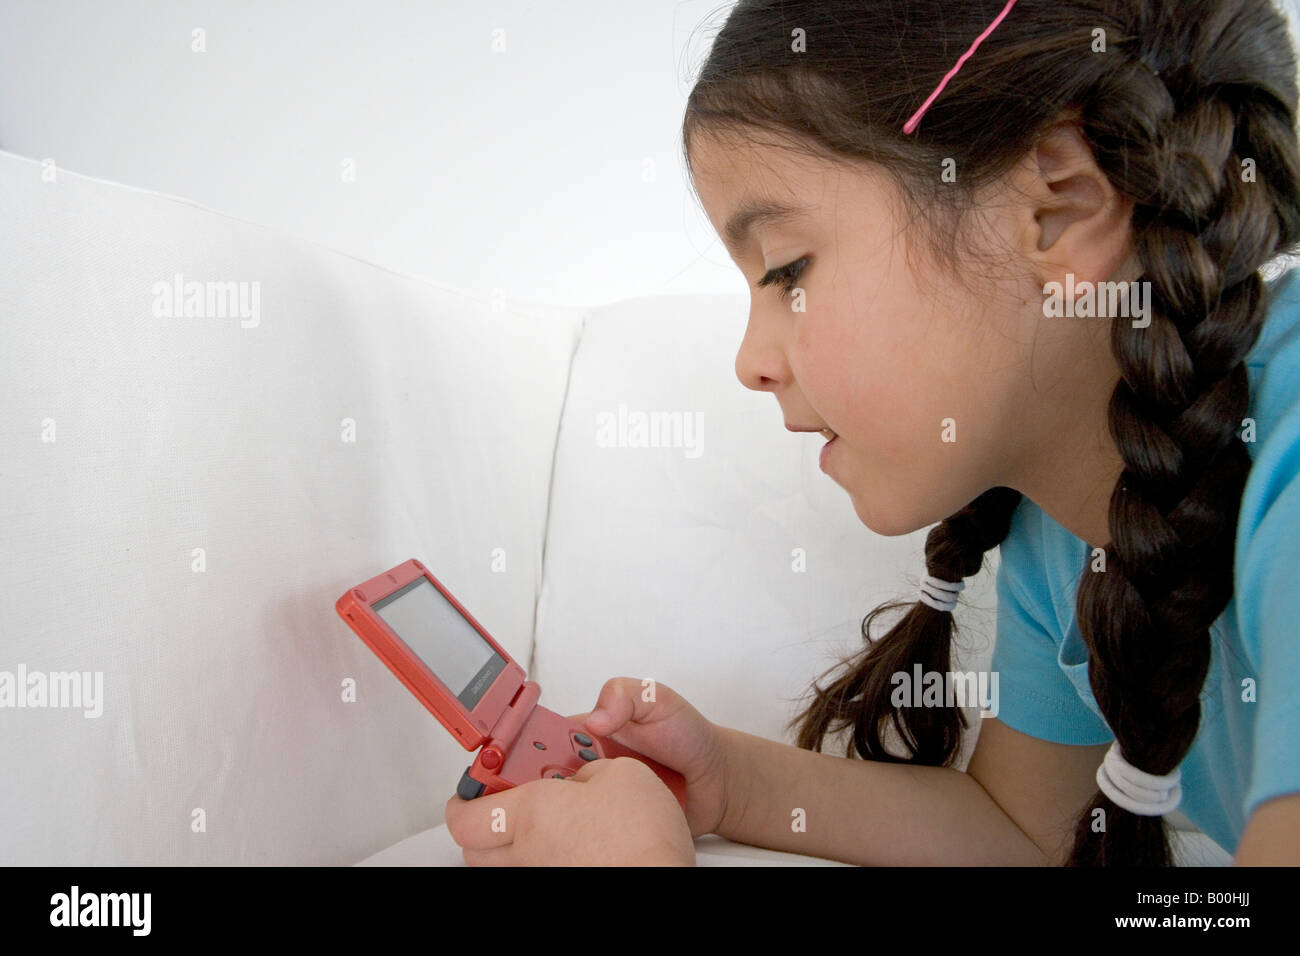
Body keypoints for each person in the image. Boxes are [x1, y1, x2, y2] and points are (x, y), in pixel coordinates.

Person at [445, 0, 1300, 866]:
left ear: (1060, 210)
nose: (749, 362)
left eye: (788, 269)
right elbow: (1022, 829)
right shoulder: (1071, 531)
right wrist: (729, 784)